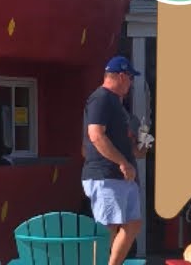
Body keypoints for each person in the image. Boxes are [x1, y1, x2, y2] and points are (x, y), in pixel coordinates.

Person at [82, 56, 146, 265]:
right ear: (121, 76)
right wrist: (122, 162)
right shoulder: (100, 98)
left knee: (133, 224)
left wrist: (141, 148)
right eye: (130, 78)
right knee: (107, 227)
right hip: (106, 174)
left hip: (124, 176)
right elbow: (96, 135)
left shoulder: (119, 106)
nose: (131, 83)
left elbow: (131, 148)